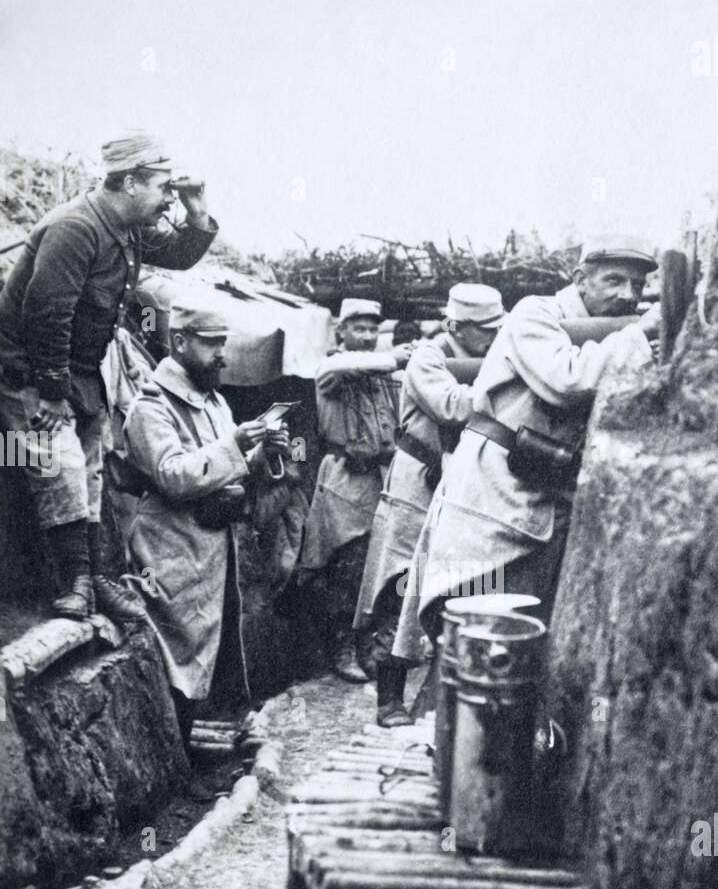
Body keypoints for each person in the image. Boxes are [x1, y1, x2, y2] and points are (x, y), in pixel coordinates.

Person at [392, 235, 660, 652]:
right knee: (476, 628)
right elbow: (567, 381)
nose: (629, 294)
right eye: (614, 280)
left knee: (520, 635)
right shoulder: (534, 313)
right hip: (494, 499)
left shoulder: (606, 332)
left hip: (539, 497)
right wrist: (639, 337)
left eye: (638, 285)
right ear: (580, 280)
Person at [0, 131, 219, 622]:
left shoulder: (127, 226)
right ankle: (77, 583)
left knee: (92, 468)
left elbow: (180, 255)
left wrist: (198, 211)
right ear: (130, 183)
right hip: (26, 371)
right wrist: (52, 394)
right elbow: (46, 313)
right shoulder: (75, 228)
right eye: (164, 187)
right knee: (57, 463)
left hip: (77, 371)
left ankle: (95, 579)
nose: (169, 198)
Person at [122, 300, 288, 749]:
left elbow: (228, 470)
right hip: (169, 551)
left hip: (210, 549)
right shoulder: (151, 405)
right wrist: (235, 444)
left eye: (223, 343)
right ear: (178, 342)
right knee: (178, 658)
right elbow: (173, 475)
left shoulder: (214, 401)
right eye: (211, 344)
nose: (222, 355)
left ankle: (193, 751)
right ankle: (176, 761)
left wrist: (263, 453)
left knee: (206, 650)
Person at [354, 283, 504, 726]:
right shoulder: (427, 356)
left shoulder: (489, 354)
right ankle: (389, 701)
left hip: (458, 484)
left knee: (457, 585)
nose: (494, 337)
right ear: (456, 325)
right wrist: (508, 380)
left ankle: (438, 697)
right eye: (485, 329)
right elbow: (451, 406)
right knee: (399, 588)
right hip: (416, 485)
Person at [293, 297, 413, 682]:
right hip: (345, 478)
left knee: (375, 566)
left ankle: (368, 644)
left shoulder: (380, 374)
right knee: (345, 565)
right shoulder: (332, 367)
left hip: (380, 478)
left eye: (373, 329)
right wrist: (393, 357)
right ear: (340, 331)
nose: (367, 335)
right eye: (358, 328)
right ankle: (341, 647)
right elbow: (342, 367)